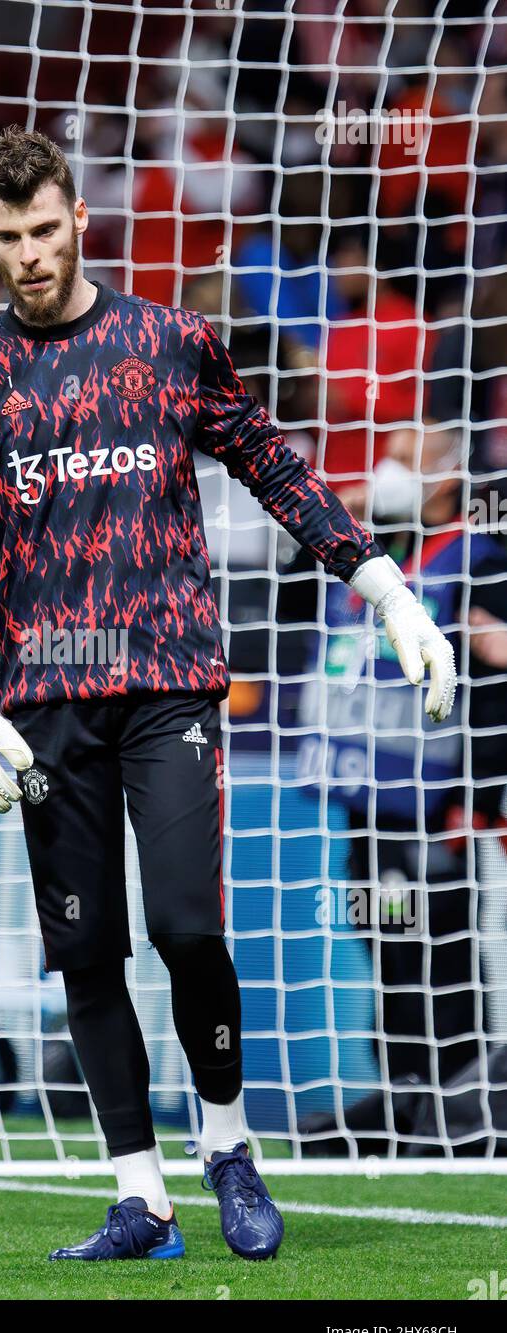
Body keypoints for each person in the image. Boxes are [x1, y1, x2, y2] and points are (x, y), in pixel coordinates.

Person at [0, 126, 457, 1261]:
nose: (28, 254)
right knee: (83, 954)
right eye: (7, 237)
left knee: (184, 927)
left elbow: (269, 459)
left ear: (78, 215)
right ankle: (140, 1200)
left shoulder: (167, 343)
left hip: (168, 685)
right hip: (45, 700)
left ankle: (226, 1147)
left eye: (45, 229)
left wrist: (381, 585)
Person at [295, 423, 507, 1153]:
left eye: (407, 461)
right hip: (367, 797)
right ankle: (404, 1094)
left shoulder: (480, 558)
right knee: (385, 941)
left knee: (432, 946)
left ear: (448, 479)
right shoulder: (383, 558)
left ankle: (455, 1102)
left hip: (432, 802)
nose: (386, 470)